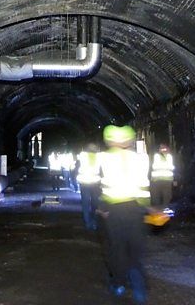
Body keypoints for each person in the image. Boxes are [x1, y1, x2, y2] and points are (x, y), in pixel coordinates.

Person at [98, 125, 151, 304]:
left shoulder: (104, 158)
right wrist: (147, 209)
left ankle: (118, 284)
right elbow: (144, 186)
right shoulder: (141, 159)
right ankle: (139, 290)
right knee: (134, 249)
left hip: (114, 210)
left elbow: (101, 184)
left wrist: (102, 207)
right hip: (135, 209)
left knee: (117, 248)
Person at [76, 143, 102, 230]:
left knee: (86, 203)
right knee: (94, 202)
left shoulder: (82, 156)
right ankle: (92, 222)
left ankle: (88, 222)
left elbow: (77, 167)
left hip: (86, 182)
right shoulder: (99, 157)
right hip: (93, 182)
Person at [150, 144, 176, 210]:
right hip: (166, 181)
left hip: (157, 180)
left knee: (157, 198)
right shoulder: (169, 157)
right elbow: (173, 168)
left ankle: (159, 211)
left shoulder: (156, 156)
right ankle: (163, 211)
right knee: (166, 198)